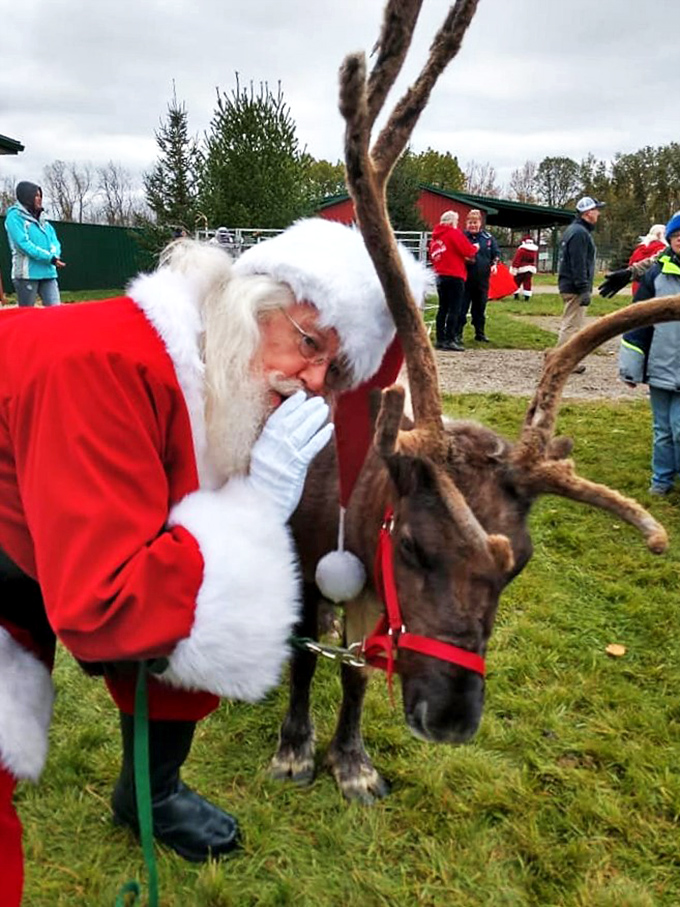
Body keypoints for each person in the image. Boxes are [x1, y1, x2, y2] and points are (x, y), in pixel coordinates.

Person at [0, 217, 429, 905]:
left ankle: (153, 791)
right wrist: (255, 504)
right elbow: (109, 607)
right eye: (309, 344)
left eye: (332, 370)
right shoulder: (104, 363)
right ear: (250, 300)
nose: (313, 381)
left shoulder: (213, 374)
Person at [618, 212, 680, 496]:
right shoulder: (657, 274)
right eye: (677, 236)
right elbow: (637, 320)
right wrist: (631, 365)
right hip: (660, 364)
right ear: (669, 239)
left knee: (679, 428)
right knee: (662, 429)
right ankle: (662, 480)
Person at [557, 196, 606, 373]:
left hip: (570, 284)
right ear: (587, 213)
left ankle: (564, 360)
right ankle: (563, 362)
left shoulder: (575, 230)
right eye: (596, 209)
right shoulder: (579, 233)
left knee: (572, 323)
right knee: (571, 325)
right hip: (574, 286)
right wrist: (584, 288)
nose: (598, 213)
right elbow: (578, 264)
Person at [4, 181, 65, 307]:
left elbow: (53, 240)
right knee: (27, 315)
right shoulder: (14, 217)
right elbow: (24, 245)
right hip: (27, 274)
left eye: (40, 196)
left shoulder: (43, 218)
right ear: (26, 196)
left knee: (56, 312)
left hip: (48, 272)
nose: (39, 199)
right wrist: (50, 258)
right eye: (36, 195)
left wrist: (55, 254)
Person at [428, 209, 477, 351]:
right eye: (456, 222)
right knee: (454, 308)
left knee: (442, 308)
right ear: (451, 222)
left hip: (440, 275)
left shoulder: (436, 238)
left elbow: (433, 256)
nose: (457, 224)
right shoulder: (453, 233)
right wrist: (475, 247)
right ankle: (450, 338)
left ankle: (440, 339)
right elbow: (468, 250)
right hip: (455, 275)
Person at [457, 208, 501, 344]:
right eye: (470, 222)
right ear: (466, 223)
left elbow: (496, 254)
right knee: (461, 308)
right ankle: (457, 334)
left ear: (480, 223)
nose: (473, 225)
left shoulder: (488, 238)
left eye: (475, 223)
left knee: (480, 309)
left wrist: (494, 264)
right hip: (465, 280)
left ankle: (480, 333)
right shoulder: (461, 237)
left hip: (482, 281)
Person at [628, 223, 667, 297]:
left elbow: (631, 264)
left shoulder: (639, 249)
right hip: (653, 286)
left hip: (637, 286)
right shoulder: (663, 250)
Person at [509, 234, 539, 300]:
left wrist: (514, 268)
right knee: (527, 282)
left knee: (517, 282)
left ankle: (516, 295)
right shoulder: (534, 251)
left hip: (521, 268)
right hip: (530, 269)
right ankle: (527, 297)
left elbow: (517, 260)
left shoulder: (522, 250)